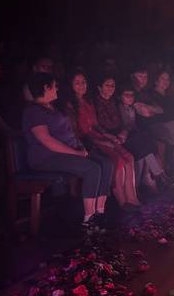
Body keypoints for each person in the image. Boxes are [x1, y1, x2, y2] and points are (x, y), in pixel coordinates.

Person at [21, 73, 111, 226]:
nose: (57, 88)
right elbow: (47, 140)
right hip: (46, 157)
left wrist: (79, 147)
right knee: (92, 169)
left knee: (106, 164)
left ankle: (100, 211)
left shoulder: (52, 109)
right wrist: (76, 153)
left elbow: (68, 132)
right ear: (46, 87)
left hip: (65, 152)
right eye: (54, 85)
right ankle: (89, 218)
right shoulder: (34, 111)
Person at [65, 71, 141, 209]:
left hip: (98, 135)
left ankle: (133, 198)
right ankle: (123, 202)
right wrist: (100, 141)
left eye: (83, 82)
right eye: (77, 82)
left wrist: (107, 135)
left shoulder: (88, 101)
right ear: (70, 85)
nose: (82, 85)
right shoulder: (70, 105)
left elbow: (95, 125)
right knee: (119, 160)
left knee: (129, 157)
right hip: (87, 141)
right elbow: (77, 132)